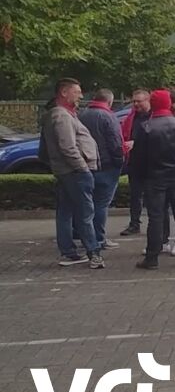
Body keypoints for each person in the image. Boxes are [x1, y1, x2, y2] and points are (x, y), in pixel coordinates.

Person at [42, 78, 104, 269]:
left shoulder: (62, 115)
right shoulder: (61, 116)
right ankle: (94, 253)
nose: (81, 96)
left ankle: (69, 253)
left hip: (67, 171)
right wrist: (83, 168)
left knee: (65, 212)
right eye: (77, 92)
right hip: (75, 172)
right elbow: (68, 147)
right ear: (64, 92)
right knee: (85, 213)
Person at [132, 90, 175, 270]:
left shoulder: (145, 127)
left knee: (156, 217)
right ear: (168, 103)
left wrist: (143, 177)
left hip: (154, 177)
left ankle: (152, 257)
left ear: (152, 104)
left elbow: (138, 158)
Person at [78, 89, 123, 251]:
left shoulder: (82, 115)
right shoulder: (109, 117)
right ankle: (99, 238)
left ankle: (86, 237)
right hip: (107, 166)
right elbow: (115, 143)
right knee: (101, 204)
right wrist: (120, 162)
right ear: (109, 102)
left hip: (86, 165)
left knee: (87, 204)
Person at [119, 89, 151, 236]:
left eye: (139, 101)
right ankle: (134, 224)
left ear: (147, 101)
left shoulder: (154, 117)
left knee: (152, 196)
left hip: (151, 163)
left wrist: (136, 143)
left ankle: (155, 223)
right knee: (135, 196)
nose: (136, 104)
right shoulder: (131, 118)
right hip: (135, 163)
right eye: (134, 101)